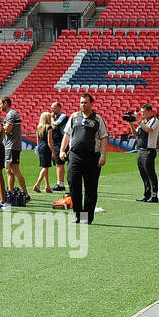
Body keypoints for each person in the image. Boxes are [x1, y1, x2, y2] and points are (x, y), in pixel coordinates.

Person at [61, 93, 109, 225]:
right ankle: (78, 214)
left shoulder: (98, 119)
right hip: (74, 156)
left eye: (86, 102)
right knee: (73, 186)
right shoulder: (74, 117)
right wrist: (62, 150)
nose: (83, 105)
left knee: (90, 188)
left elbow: (104, 137)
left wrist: (103, 155)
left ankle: (87, 217)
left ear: (91, 104)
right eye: (81, 102)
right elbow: (67, 134)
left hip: (92, 157)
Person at [131, 103, 159, 202]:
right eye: (141, 112)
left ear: (149, 111)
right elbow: (135, 134)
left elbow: (148, 129)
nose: (142, 114)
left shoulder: (154, 120)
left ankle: (154, 195)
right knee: (143, 174)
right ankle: (147, 195)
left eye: (143, 112)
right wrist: (131, 123)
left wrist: (138, 120)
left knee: (150, 174)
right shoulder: (143, 122)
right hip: (140, 150)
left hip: (149, 151)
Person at [0, 97, 27, 198]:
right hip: (11, 145)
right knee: (8, 170)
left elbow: (7, 130)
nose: (0, 107)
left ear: (5, 103)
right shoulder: (11, 114)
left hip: (12, 145)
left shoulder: (11, 114)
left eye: (0, 104)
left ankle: (26, 194)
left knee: (15, 170)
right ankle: (10, 192)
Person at [32, 110, 55, 194]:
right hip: (46, 147)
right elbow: (49, 140)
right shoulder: (49, 127)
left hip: (41, 147)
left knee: (46, 166)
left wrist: (38, 148)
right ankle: (37, 184)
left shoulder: (39, 127)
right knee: (45, 167)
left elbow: (37, 140)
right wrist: (53, 151)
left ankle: (47, 186)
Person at [49, 101, 69, 191]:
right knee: (59, 163)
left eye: (54, 108)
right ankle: (60, 183)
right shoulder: (56, 117)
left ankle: (60, 184)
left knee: (59, 163)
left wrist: (52, 119)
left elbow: (55, 126)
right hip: (57, 142)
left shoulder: (63, 116)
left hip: (62, 142)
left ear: (59, 108)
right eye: (51, 108)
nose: (52, 110)